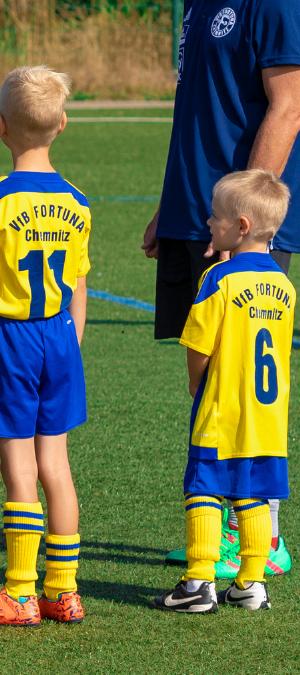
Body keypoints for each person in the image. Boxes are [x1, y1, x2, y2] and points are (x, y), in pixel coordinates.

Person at [141, 0, 300, 574]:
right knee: (206, 379)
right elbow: (197, 108)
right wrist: (170, 202)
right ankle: (230, 529)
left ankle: (266, 537)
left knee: (243, 384)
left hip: (239, 224)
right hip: (196, 213)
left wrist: (243, 222)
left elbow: (287, 105)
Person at [0, 66, 89, 627]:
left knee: (19, 471)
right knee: (57, 465)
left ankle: (20, 594)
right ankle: (65, 590)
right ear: (62, 125)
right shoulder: (76, 202)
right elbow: (78, 286)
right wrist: (70, 342)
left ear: (1, 126)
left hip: (11, 336)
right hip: (58, 334)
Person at [151, 170, 292, 614]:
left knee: (205, 489)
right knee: (250, 493)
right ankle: (252, 582)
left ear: (242, 226)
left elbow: (198, 344)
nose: (209, 224)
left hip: (223, 408)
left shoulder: (220, 278)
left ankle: (198, 582)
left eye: (216, 217)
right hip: (267, 417)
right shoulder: (286, 287)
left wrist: (197, 383)